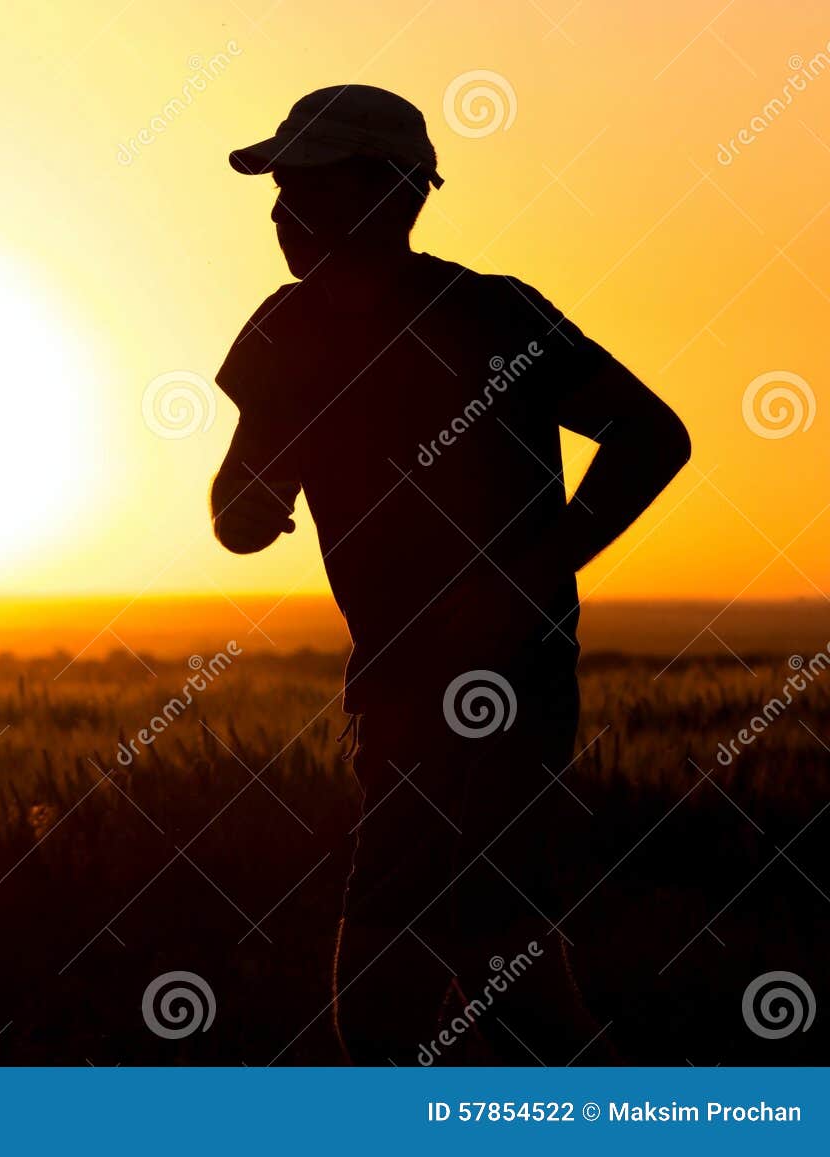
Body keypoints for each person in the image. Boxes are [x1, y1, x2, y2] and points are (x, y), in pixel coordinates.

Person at [211, 85, 690, 1064]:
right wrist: (249, 509)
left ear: (388, 194)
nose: (277, 212)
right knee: (506, 967)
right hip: (389, 686)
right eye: (277, 189)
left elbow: (651, 435)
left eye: (302, 186)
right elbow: (239, 500)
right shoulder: (282, 331)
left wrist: (525, 575)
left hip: (498, 685)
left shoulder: (488, 314)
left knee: (392, 1001)